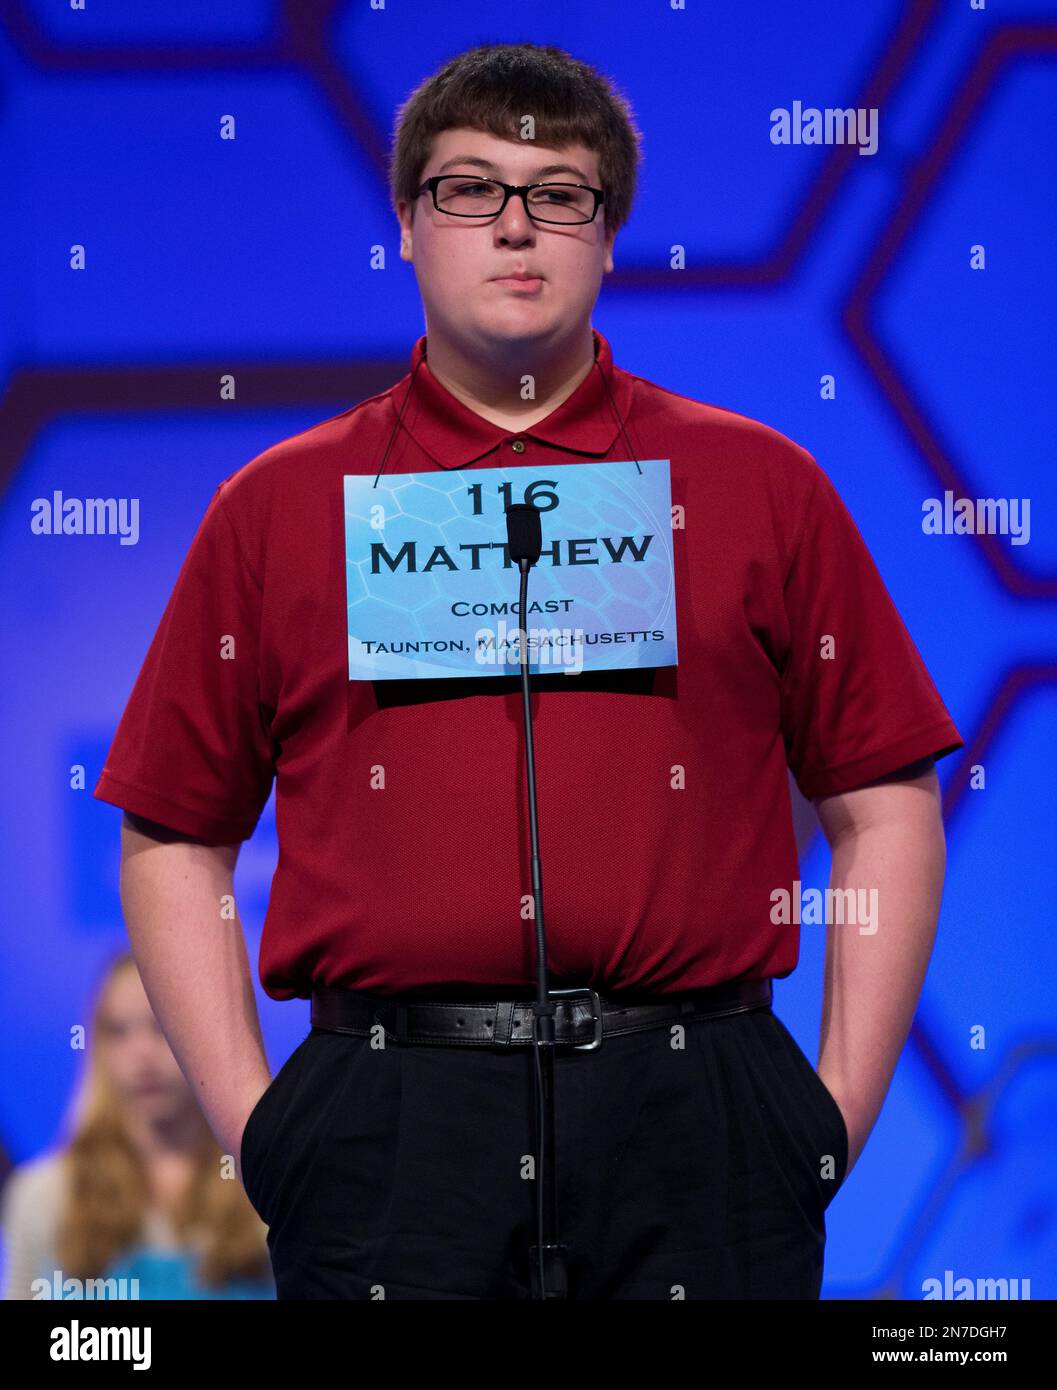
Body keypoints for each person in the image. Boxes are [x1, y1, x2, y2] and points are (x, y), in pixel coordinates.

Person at [92, 41, 963, 1299]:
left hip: (699, 1115)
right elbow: (173, 830)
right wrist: (263, 1129)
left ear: (608, 237)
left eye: (561, 195)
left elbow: (885, 793)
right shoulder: (275, 507)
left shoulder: (756, 483)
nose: (517, 227)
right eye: (469, 189)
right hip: (390, 1135)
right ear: (406, 223)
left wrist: (826, 1114)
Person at [1, 951, 273, 1300]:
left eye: (162, 1025)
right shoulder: (45, 1194)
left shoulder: (265, 1190)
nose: (142, 1052)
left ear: (210, 1036)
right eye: (119, 1031)